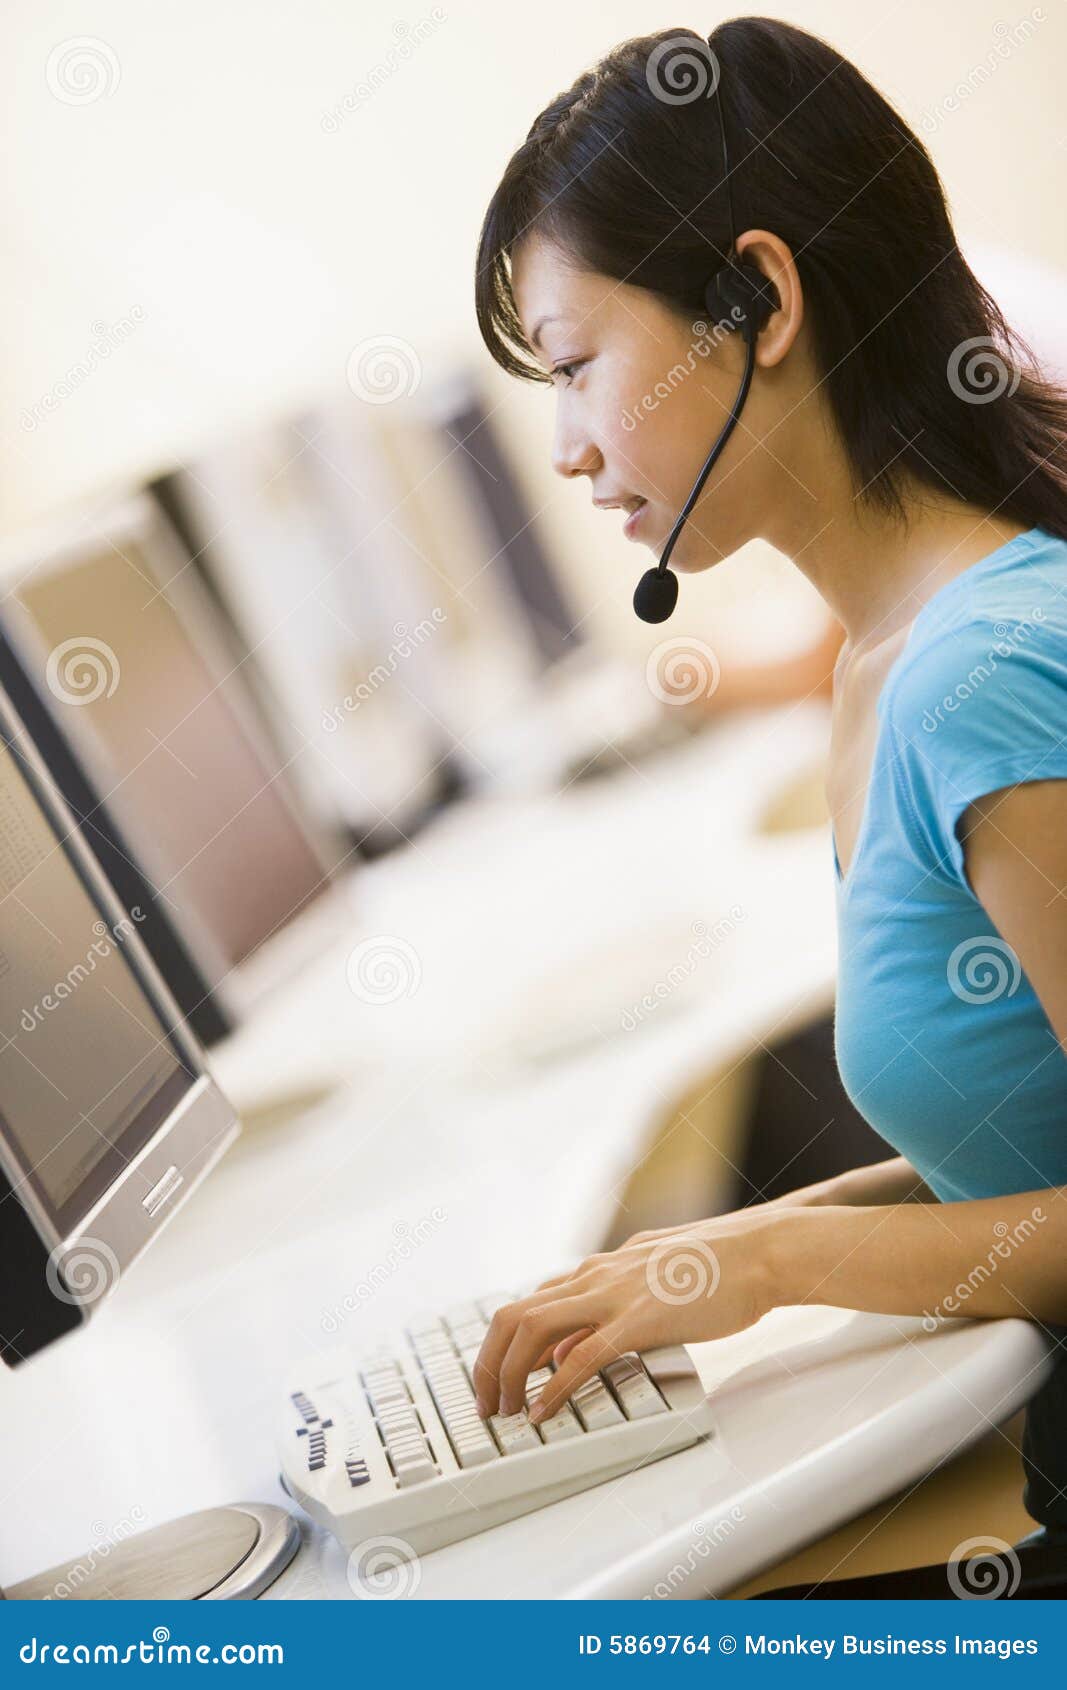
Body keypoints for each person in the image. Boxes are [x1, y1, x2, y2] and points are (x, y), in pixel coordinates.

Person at [468, 15, 1067, 1595]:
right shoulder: (887, 661)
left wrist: (777, 1257)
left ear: (762, 300)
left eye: (577, 364)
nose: (567, 449)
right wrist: (715, 1251)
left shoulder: (980, 677)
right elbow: (1023, 1147)